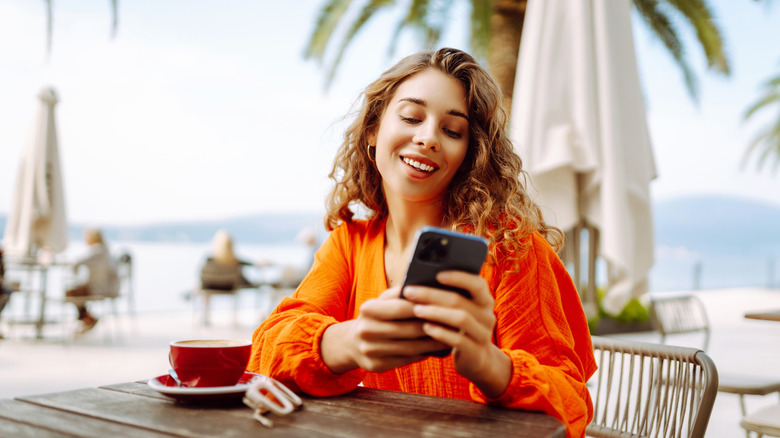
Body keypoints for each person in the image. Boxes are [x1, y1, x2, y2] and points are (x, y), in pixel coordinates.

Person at [248, 48, 597, 437]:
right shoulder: (350, 243)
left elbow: (571, 404)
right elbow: (264, 352)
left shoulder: (510, 247)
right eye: (412, 117)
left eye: (452, 131)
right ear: (373, 131)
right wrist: (347, 342)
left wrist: (487, 363)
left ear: (469, 155)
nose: (428, 137)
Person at [65, 228, 120, 334]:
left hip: (101, 289)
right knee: (74, 291)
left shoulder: (97, 250)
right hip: (108, 287)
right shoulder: (105, 250)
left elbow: (78, 262)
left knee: (71, 292)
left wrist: (74, 270)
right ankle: (88, 318)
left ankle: (88, 318)